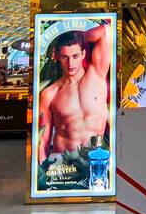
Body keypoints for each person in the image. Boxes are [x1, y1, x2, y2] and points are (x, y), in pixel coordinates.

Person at [37, 24, 112, 163]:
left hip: (96, 159)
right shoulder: (49, 93)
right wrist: (42, 169)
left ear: (83, 54)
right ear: (58, 57)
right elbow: (42, 139)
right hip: (62, 162)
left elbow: (106, 31)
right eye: (65, 57)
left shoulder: (97, 74)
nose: (70, 63)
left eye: (75, 55)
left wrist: (80, 37)